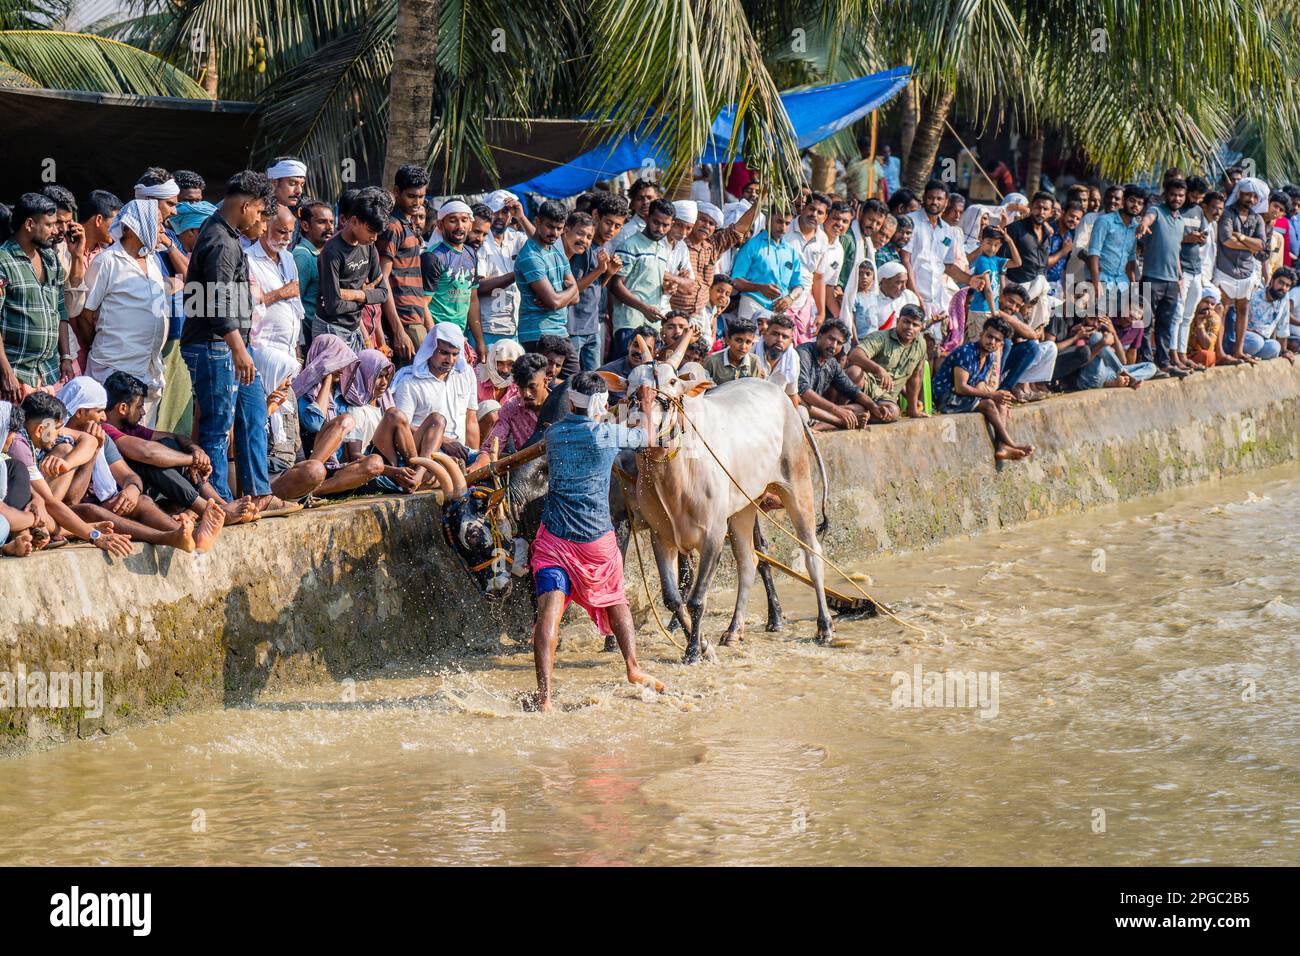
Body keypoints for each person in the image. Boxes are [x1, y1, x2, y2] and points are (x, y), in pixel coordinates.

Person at [527, 371, 662, 712]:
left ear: (570, 401)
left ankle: (545, 697)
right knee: (616, 599)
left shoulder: (555, 435)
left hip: (555, 540)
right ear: (601, 406)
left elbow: (572, 426)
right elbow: (648, 437)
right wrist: (645, 404)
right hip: (596, 541)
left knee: (549, 612)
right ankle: (632, 666)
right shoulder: (608, 435)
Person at [180, 171, 289, 512]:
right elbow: (217, 302)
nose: (260, 220)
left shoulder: (227, 237)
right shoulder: (219, 241)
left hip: (233, 346)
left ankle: (259, 492)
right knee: (216, 426)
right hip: (216, 346)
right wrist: (239, 349)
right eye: (259, 213)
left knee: (254, 414)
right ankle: (220, 504)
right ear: (245, 206)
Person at [56, 376, 216, 552]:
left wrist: (132, 489)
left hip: (105, 501)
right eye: (99, 411)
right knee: (92, 510)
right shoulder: (60, 442)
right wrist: (92, 452)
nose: (103, 417)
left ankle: (186, 531)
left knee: (142, 501)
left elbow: (128, 476)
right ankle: (172, 536)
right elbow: (71, 500)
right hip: (68, 512)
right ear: (80, 413)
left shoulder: (102, 435)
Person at [103, 370, 258, 526]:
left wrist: (196, 451)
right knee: (151, 461)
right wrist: (191, 460)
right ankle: (211, 511)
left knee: (170, 446)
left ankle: (219, 504)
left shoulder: (130, 428)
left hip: (140, 489)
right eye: (139, 407)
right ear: (123, 408)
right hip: (121, 496)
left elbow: (176, 437)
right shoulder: (105, 429)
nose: (143, 412)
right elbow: (147, 452)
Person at [78, 198, 171, 414]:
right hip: (113, 368)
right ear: (135, 227)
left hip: (148, 369)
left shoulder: (153, 261)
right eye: (157, 223)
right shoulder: (108, 260)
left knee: (142, 436)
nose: (162, 229)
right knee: (116, 436)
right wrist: (101, 345)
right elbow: (85, 314)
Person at [15, 391, 133, 554]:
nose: (58, 435)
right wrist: (94, 535)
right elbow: (50, 502)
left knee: (65, 450)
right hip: (10, 509)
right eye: (57, 429)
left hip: (28, 502)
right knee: (39, 516)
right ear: (40, 429)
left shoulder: (34, 431)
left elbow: (90, 440)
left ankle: (64, 529)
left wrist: (67, 463)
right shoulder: (18, 445)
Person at [933, 318, 1034, 461]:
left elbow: (979, 383)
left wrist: (999, 396)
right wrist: (992, 396)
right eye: (989, 336)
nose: (992, 342)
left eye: (997, 340)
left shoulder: (988, 357)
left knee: (1001, 403)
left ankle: (1001, 448)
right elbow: (960, 387)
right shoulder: (966, 352)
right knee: (989, 404)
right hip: (946, 397)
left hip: (960, 397)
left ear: (1001, 344)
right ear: (981, 335)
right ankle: (1010, 443)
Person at [0, 193, 67, 400]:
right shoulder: (3, 261)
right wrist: (5, 372)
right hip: (15, 377)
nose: (55, 231)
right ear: (29, 224)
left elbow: (61, 310)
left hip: (46, 376)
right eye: (49, 225)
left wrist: (65, 357)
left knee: (45, 432)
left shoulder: (51, 259)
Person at [390, 321, 481, 468]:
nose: (450, 360)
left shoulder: (466, 373)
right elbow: (402, 428)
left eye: (455, 354)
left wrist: (475, 462)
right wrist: (444, 441)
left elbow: (471, 421)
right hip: (426, 452)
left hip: (461, 451)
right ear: (430, 349)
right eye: (444, 353)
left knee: (487, 459)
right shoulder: (409, 382)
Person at [317, 188, 391, 352]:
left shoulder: (369, 246)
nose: (374, 238)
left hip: (355, 327)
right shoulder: (332, 252)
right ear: (354, 221)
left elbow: (383, 292)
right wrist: (366, 297)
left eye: (377, 233)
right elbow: (333, 306)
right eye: (371, 231)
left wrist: (355, 294)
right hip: (331, 328)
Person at [608, 198, 678, 358]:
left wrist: (667, 288)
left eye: (665, 225)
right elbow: (615, 285)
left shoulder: (662, 248)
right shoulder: (629, 246)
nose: (660, 228)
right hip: (628, 323)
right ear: (647, 218)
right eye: (656, 222)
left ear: (672, 224)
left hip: (651, 325)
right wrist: (643, 308)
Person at [1135, 177, 1190, 376]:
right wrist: (1143, 224)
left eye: (1181, 195)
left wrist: (1179, 275)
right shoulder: (1156, 211)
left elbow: (1174, 250)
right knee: (1146, 324)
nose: (1177, 198)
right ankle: (1148, 365)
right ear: (1166, 194)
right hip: (1151, 278)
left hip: (1172, 282)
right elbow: (1147, 218)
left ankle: (1164, 363)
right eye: (1173, 195)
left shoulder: (1181, 220)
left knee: (1166, 325)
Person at [421, 198, 485, 360]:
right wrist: (433, 339)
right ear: (441, 225)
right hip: (439, 339)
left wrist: (480, 341)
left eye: (464, 220)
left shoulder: (471, 254)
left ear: (470, 224)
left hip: (460, 337)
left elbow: (473, 299)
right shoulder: (433, 257)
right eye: (453, 220)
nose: (459, 226)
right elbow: (423, 304)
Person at [845, 304, 929, 421]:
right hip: (867, 385)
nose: (910, 327)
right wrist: (878, 369)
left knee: (893, 412)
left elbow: (916, 377)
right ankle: (841, 409)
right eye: (906, 322)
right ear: (898, 320)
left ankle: (852, 412)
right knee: (854, 372)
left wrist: (913, 409)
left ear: (921, 327)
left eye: (915, 325)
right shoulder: (881, 337)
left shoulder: (921, 344)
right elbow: (854, 355)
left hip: (886, 397)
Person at [1215, 177, 1269, 360]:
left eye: (1255, 196)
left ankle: (1238, 351)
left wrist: (1243, 238)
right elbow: (1226, 240)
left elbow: (1261, 245)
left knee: (1243, 310)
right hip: (1225, 269)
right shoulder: (1227, 213)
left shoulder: (1257, 218)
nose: (1251, 199)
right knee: (1222, 309)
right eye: (1248, 194)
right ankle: (1219, 353)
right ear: (1239, 193)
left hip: (1246, 271)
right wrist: (1250, 245)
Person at [563, 210, 620, 371]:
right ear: (598, 217)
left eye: (617, 226)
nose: (611, 229)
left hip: (592, 325)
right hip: (574, 325)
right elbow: (574, 288)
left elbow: (598, 287)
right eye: (608, 223)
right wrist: (600, 270)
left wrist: (609, 272)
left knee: (594, 377)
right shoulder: (583, 250)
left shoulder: (605, 247)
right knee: (570, 375)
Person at [796, 320, 879, 429]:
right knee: (802, 411)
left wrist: (874, 407)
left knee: (861, 409)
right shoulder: (803, 353)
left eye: (839, 343)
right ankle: (830, 424)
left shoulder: (832, 362)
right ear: (819, 336)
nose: (834, 346)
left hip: (818, 411)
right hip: (800, 406)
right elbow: (804, 391)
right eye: (831, 339)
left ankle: (826, 423)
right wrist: (836, 410)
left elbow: (852, 390)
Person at [730, 206, 804, 323]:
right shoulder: (751, 246)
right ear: (767, 221)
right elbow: (736, 280)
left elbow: (799, 285)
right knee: (749, 340)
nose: (783, 227)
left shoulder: (791, 252)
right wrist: (759, 288)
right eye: (779, 221)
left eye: (787, 223)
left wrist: (790, 298)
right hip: (752, 303)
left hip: (779, 309)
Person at [476, 190, 531, 345]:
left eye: (505, 211)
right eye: (495, 211)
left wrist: (521, 217)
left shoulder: (516, 238)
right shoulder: (480, 241)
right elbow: (479, 286)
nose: (500, 216)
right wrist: (515, 274)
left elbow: (540, 245)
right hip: (488, 328)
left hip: (514, 327)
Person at [1087, 184, 1145, 329]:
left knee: (1118, 328)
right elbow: (1094, 252)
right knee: (1096, 327)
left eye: (1140, 203)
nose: (1135, 206)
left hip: (1122, 285)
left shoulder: (1135, 227)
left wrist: (1133, 290)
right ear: (1124, 200)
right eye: (1132, 201)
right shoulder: (1105, 221)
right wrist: (1095, 283)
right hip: (1102, 282)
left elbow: (1131, 260)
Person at [1224, 267, 1297, 363]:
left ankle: (1250, 356)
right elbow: (1235, 319)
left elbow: (1283, 327)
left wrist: (1284, 351)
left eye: (1287, 286)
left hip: (1260, 341)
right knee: (1256, 341)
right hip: (1240, 338)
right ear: (1272, 281)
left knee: (1275, 347)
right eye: (1281, 283)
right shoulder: (1255, 293)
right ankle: (1238, 353)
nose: (1283, 288)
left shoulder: (1284, 300)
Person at [485, 353, 549, 454]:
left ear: (545, 382)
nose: (526, 393)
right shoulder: (511, 407)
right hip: (525, 465)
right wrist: (482, 459)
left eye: (532, 387)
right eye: (521, 387)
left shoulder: (561, 403)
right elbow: (492, 446)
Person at [965, 226, 1021, 339]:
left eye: (996, 245)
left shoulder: (996, 260)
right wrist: (994, 314)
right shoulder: (982, 260)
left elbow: (1017, 262)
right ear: (981, 240)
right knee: (980, 344)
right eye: (989, 243)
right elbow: (988, 290)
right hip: (981, 311)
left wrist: (1009, 240)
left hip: (991, 310)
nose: (992, 248)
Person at [292, 199, 335, 347]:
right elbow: (293, 303)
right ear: (305, 225)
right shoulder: (302, 256)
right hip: (308, 340)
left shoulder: (324, 253)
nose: (329, 227)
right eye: (322, 222)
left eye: (331, 222)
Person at [852, 260, 919, 340]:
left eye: (905, 282)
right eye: (899, 282)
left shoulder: (909, 296)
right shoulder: (869, 300)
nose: (904, 287)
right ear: (884, 281)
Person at [702, 316, 761, 384]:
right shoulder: (712, 361)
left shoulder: (754, 361)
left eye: (748, 342)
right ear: (728, 340)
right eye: (738, 340)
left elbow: (755, 389)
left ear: (752, 343)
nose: (743, 346)